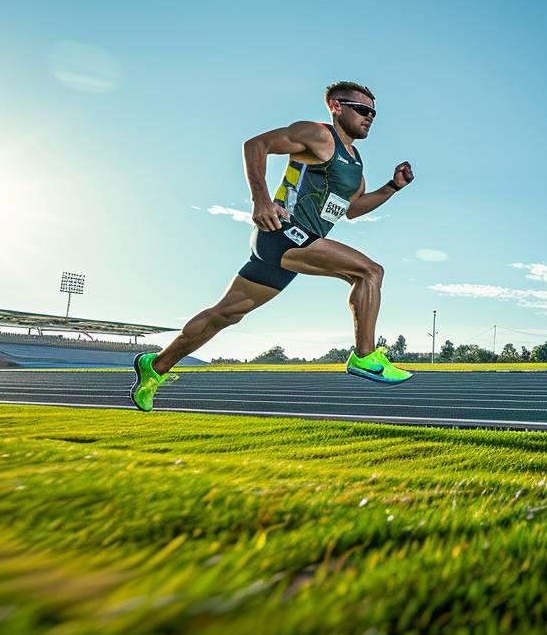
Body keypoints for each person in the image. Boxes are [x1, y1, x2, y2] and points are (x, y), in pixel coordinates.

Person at [131, 81, 413, 412]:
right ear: (337, 107)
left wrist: (393, 186)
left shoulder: (355, 164)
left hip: (297, 244)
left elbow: (352, 208)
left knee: (226, 314)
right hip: (282, 231)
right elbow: (256, 144)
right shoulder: (319, 135)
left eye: (373, 113)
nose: (369, 117)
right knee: (369, 272)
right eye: (362, 110)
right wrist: (261, 199)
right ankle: (365, 357)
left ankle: (156, 366)